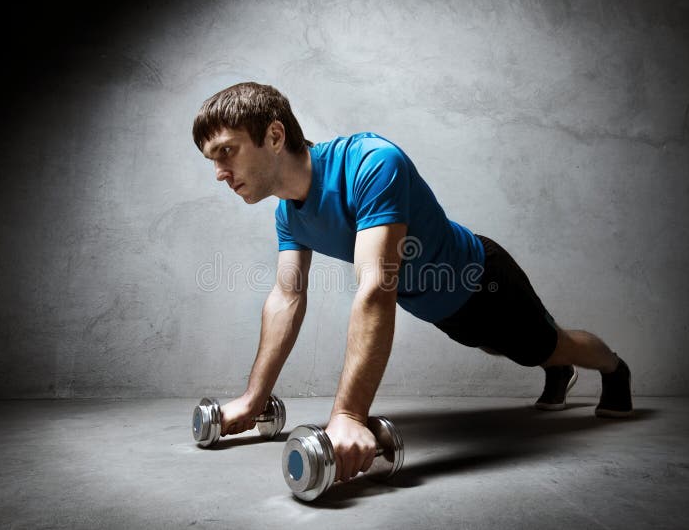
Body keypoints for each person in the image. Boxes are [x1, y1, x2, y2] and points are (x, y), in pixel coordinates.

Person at [191, 82, 634, 483]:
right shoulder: (288, 217)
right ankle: (554, 369)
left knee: (548, 344)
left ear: (273, 136)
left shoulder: (370, 162)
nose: (219, 173)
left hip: (485, 283)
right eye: (212, 160)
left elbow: (375, 288)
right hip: (439, 308)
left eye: (226, 151)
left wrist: (348, 416)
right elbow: (287, 296)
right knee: (497, 347)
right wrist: (254, 398)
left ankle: (613, 368)